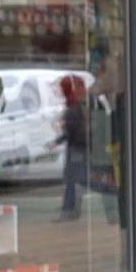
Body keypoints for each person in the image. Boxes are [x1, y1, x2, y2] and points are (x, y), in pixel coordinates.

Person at [55, 74, 90, 221]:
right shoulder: (79, 106)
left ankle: (69, 210)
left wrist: (61, 136)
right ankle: (72, 209)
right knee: (75, 179)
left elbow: (72, 130)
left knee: (72, 179)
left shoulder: (73, 108)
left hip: (76, 147)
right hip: (79, 146)